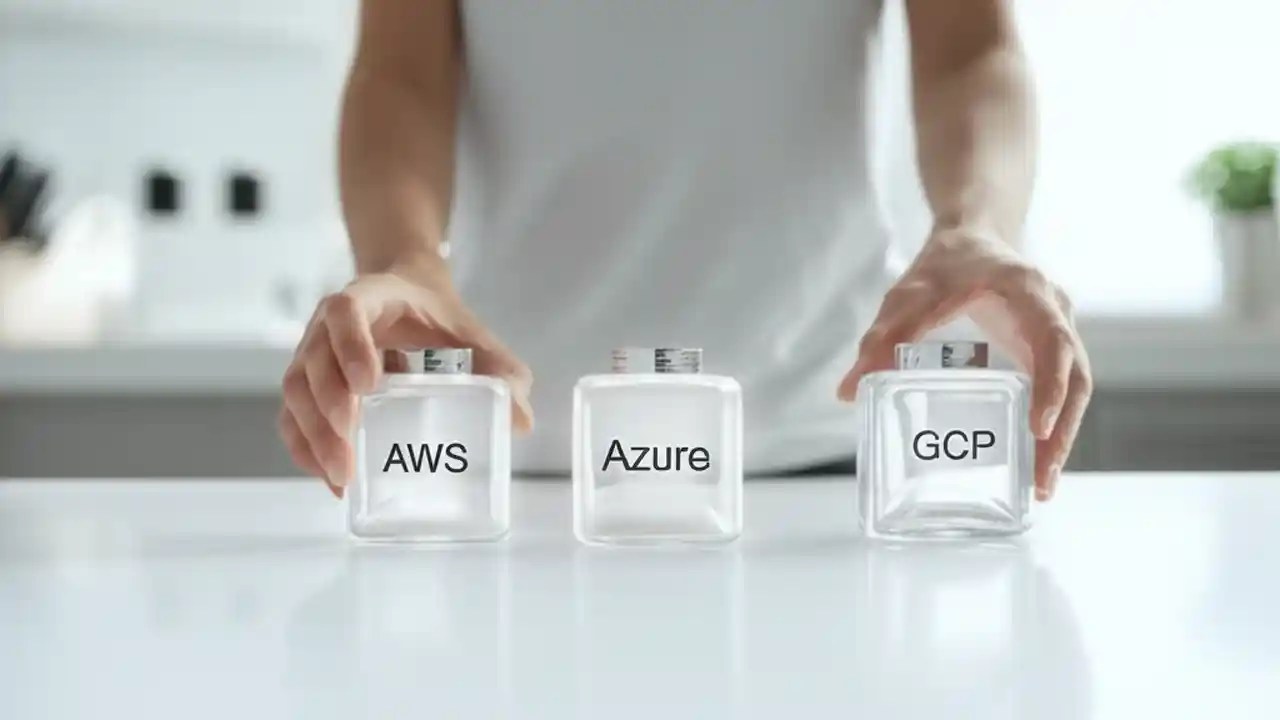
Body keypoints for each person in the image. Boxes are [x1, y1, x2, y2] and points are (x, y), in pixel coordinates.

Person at [278, 0, 1091, 502]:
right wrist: (401, 258)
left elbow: (970, 49)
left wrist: (975, 226)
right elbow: (400, 70)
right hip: (520, 455)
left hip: (819, 440)